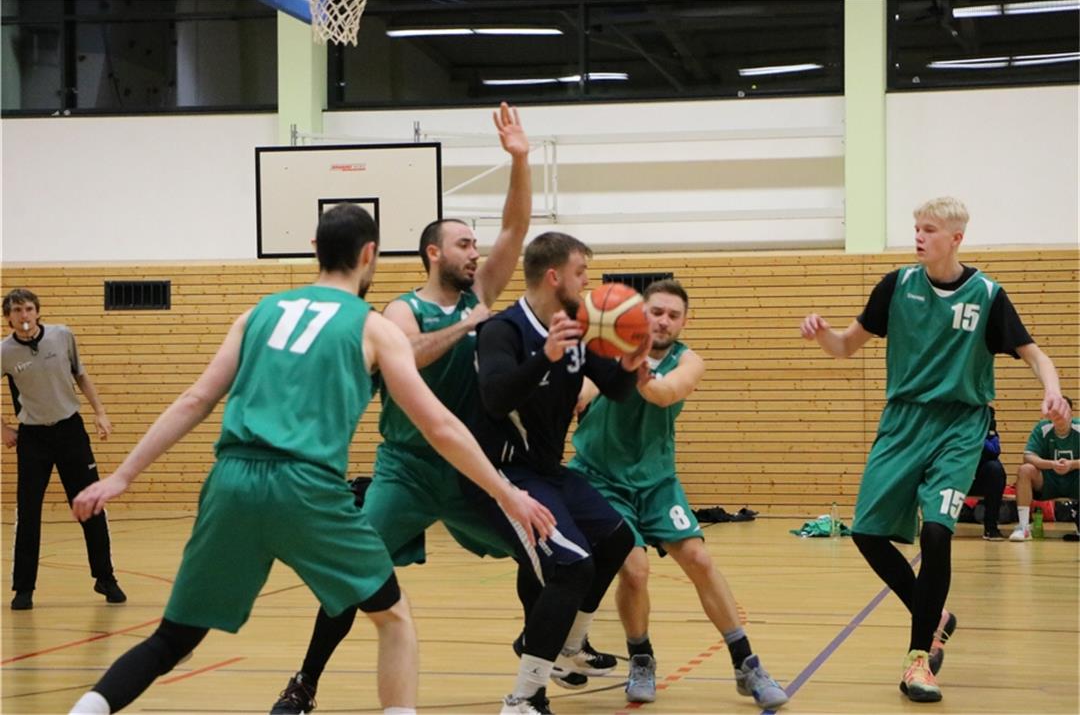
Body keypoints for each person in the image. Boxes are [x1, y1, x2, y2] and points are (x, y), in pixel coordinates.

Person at [67, 204, 554, 715]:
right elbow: (440, 425)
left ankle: (88, 709)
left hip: (230, 482)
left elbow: (195, 400)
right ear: (370, 256)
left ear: (315, 250)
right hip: (306, 487)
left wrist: (122, 475)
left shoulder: (258, 312)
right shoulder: (373, 327)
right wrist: (507, 491)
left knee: (174, 637)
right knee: (393, 618)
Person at [266, 103, 593, 714]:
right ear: (432, 255)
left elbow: (517, 229)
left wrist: (520, 159)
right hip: (407, 469)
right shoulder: (401, 310)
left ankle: (533, 683)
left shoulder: (481, 290)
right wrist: (467, 324)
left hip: (473, 469)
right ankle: (304, 683)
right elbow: (407, 357)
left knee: (541, 550)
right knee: (351, 574)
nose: (476, 252)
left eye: (475, 243)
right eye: (463, 244)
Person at [800, 196, 1066, 703]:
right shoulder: (896, 286)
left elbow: (1036, 355)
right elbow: (846, 346)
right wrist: (823, 334)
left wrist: (1052, 391)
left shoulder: (986, 294)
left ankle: (917, 659)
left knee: (939, 534)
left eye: (929, 229)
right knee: (867, 533)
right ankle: (937, 616)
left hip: (959, 427)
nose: (918, 236)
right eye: (915, 227)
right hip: (901, 421)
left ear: (956, 238)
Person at [567, 279, 788, 708]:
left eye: (673, 314)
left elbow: (665, 394)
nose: (664, 320)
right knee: (633, 569)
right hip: (601, 479)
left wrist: (639, 373)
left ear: (685, 321)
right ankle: (641, 658)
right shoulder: (603, 352)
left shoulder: (689, 361)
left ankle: (747, 665)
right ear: (639, 313)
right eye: (656, 312)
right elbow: (585, 393)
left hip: (657, 481)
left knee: (700, 559)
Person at [468, 232, 648, 715]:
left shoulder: (576, 328)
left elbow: (614, 389)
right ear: (554, 277)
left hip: (548, 472)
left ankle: (570, 642)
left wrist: (631, 363)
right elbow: (495, 397)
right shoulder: (502, 330)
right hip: (505, 475)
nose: (587, 282)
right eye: (580, 273)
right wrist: (541, 358)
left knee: (615, 540)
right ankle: (522, 698)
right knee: (571, 567)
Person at [2, 288, 126, 611]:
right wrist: (2, 429)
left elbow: (80, 375)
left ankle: (105, 577)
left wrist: (100, 412)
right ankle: (24, 588)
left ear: (37, 312)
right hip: (33, 439)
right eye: (17, 311)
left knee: (91, 504)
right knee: (28, 513)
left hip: (70, 431)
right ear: (8, 318)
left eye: (29, 309)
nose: (24, 315)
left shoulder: (62, 336)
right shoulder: (5, 352)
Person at [1009, 395, 1079, 541]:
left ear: (1070, 413)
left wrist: (1072, 464)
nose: (1059, 415)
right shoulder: (1042, 428)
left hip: (1075, 479)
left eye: (1062, 410)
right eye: (1055, 411)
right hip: (1049, 481)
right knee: (1025, 470)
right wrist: (1051, 464)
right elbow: (1028, 456)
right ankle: (1023, 527)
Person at [968, 405, 1006, 540]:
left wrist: (977, 438)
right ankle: (938, 527)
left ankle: (991, 527)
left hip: (979, 478)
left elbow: (994, 450)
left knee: (995, 469)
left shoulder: (989, 423)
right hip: (955, 473)